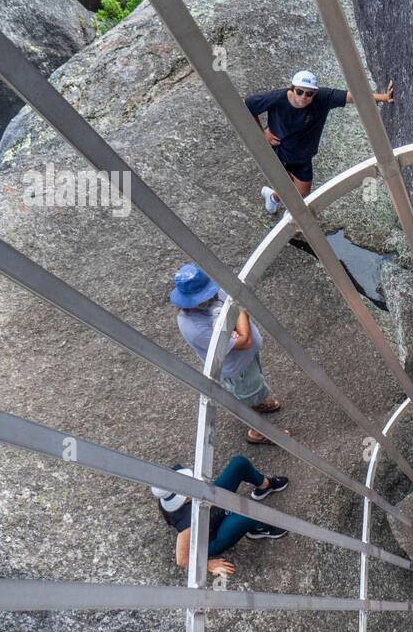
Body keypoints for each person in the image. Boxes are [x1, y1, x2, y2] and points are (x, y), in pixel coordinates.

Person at [246, 69, 395, 225]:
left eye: (309, 94)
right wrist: (262, 133)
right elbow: (248, 105)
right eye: (299, 91)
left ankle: (273, 197)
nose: (303, 96)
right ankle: (289, 217)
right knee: (287, 184)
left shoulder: (323, 98)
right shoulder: (276, 98)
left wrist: (383, 98)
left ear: (315, 93)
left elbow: (352, 97)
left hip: (302, 156)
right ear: (292, 88)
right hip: (278, 151)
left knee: (303, 192)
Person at [170, 263, 282, 445]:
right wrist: (241, 314)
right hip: (238, 370)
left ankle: (258, 403)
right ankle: (257, 431)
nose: (212, 296)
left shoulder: (213, 293)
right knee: (248, 395)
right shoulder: (194, 327)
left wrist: (238, 316)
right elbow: (244, 339)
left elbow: (237, 304)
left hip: (245, 360)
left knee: (254, 390)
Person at [154, 456, 290, 577]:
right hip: (213, 535)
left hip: (212, 505)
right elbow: (181, 559)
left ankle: (265, 486)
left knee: (239, 464)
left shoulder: (170, 486)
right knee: (248, 513)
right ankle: (258, 529)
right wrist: (208, 565)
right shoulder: (186, 522)